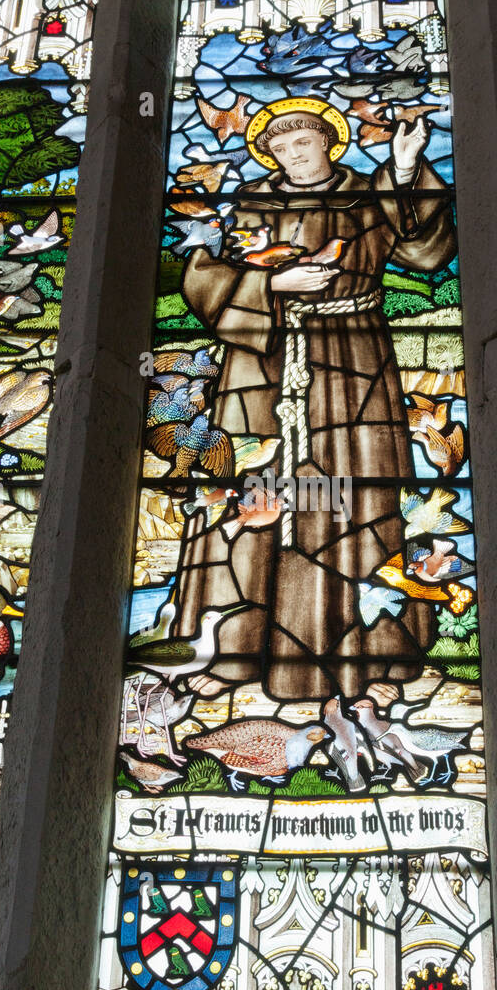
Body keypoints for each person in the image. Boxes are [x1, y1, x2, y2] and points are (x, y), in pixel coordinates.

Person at [172, 96, 457, 701]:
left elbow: (424, 250)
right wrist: (273, 283)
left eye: (301, 143)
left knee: (354, 486)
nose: (291, 155)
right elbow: (202, 272)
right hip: (264, 358)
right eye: (278, 148)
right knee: (256, 484)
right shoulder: (251, 202)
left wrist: (404, 170)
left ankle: (363, 650)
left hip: (352, 356)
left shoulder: (367, 195)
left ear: (329, 141)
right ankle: (239, 644)